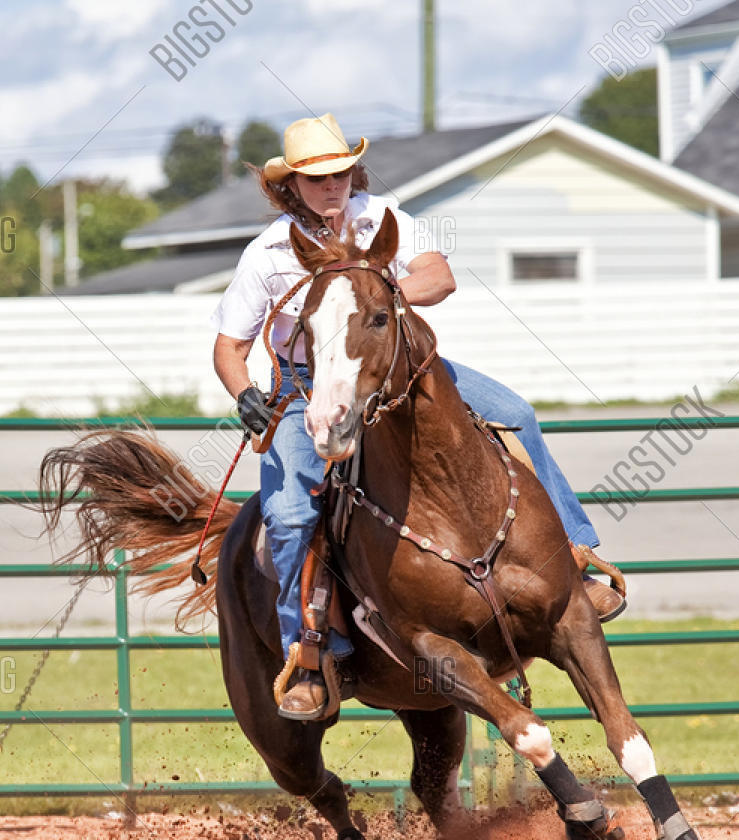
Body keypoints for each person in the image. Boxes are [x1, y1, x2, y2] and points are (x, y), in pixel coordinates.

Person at [210, 114, 624, 721]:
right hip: (309, 390)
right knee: (291, 512)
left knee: (517, 414)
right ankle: (309, 651)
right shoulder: (267, 254)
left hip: (396, 368)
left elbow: (439, 275)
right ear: (290, 185)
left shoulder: (383, 218)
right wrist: (244, 392)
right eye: (318, 177)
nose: (333, 185)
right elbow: (229, 345)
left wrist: (377, 295)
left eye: (342, 172)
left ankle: (580, 557)